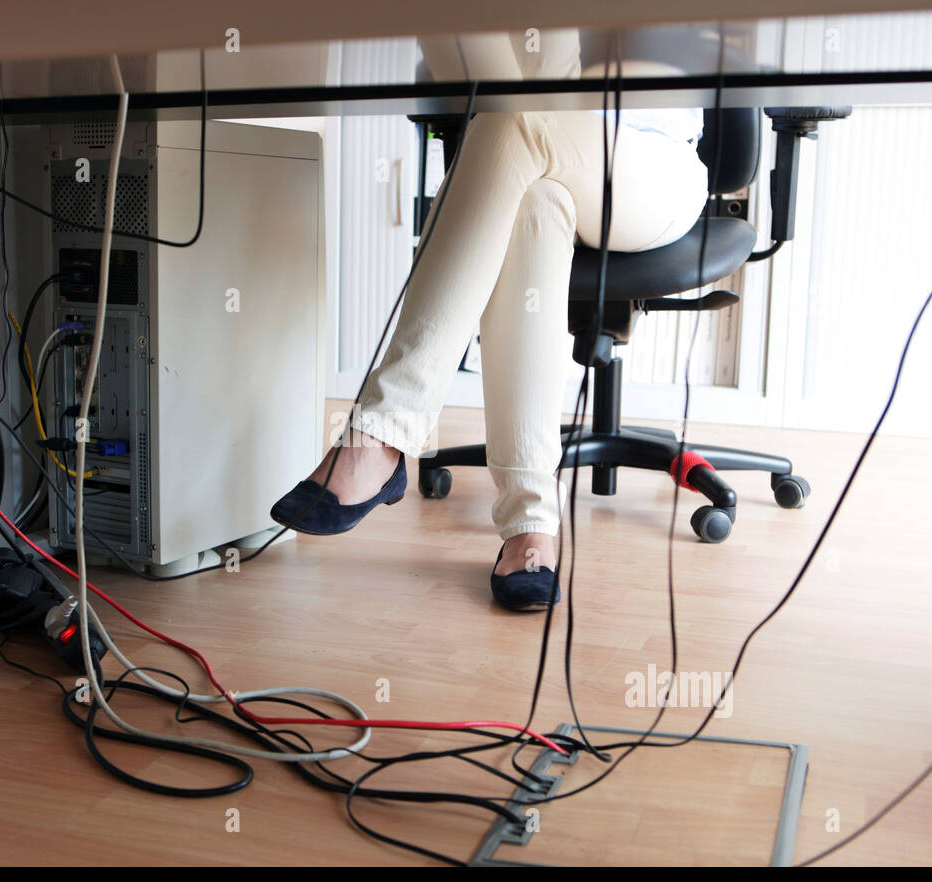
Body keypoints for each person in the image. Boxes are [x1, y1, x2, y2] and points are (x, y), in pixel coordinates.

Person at [272, 30, 708, 610]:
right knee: (527, 172)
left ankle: (384, 431)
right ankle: (531, 523)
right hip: (534, 151)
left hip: (650, 164)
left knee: (514, 119)